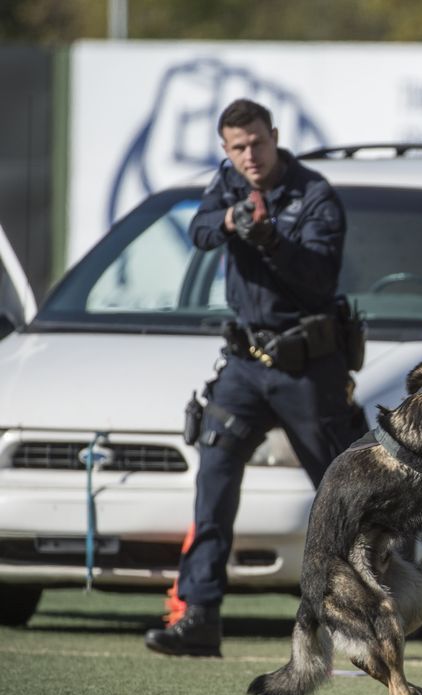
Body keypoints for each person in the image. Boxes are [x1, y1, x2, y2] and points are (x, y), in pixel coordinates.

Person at [145, 98, 363, 657]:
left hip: (307, 366)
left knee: (345, 493)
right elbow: (197, 231)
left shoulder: (313, 194)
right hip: (244, 365)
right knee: (213, 480)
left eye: (257, 144)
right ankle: (199, 617)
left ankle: (362, 615)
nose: (249, 156)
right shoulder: (227, 185)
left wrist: (268, 238)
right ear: (225, 149)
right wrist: (225, 221)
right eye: (237, 147)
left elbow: (317, 281)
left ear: (275, 136)